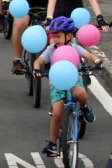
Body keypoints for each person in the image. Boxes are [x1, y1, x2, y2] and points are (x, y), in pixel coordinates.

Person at [33, 16, 102, 157]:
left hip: (74, 80)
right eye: (54, 36)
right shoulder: (51, 49)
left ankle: (83, 108)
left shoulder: (75, 48)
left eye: (58, 36)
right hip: (58, 84)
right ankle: (52, 143)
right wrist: (36, 69)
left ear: (69, 36)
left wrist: (97, 61)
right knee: (57, 113)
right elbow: (39, 61)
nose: (56, 39)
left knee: (81, 94)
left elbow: (88, 55)